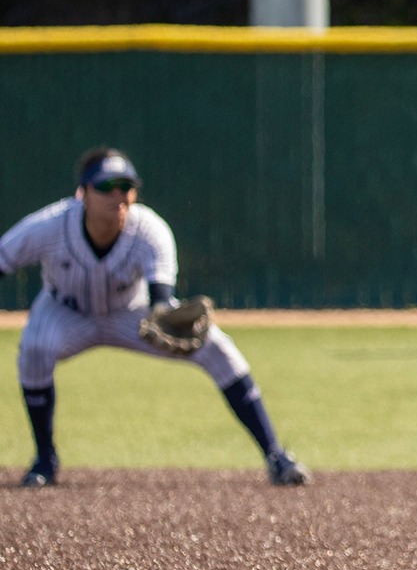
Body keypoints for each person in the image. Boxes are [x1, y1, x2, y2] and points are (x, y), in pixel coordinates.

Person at [0, 148, 311, 488]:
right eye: (107, 186)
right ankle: (45, 459)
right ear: (83, 192)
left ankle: (276, 455)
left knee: (217, 348)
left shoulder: (148, 229)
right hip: (64, 312)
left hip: (133, 313)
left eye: (126, 186)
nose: (118, 195)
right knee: (35, 348)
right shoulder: (51, 225)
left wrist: (163, 315)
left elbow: (160, 299)